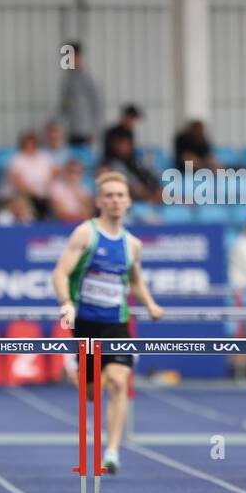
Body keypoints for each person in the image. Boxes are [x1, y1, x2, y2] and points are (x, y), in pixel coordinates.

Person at [52, 172, 165, 474]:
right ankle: (78, 371)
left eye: (120, 195)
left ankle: (112, 451)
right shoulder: (85, 234)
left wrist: (151, 304)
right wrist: (66, 303)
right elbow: (60, 272)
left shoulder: (133, 245)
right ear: (99, 201)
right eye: (110, 195)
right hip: (85, 323)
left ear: (128, 201)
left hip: (116, 323)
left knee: (118, 381)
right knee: (91, 393)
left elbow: (136, 280)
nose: (115, 201)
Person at [58, 42, 102, 147]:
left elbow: (97, 105)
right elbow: (64, 106)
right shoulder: (67, 79)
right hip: (69, 130)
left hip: (85, 131)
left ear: (79, 57)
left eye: (73, 56)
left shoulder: (89, 79)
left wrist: (94, 130)